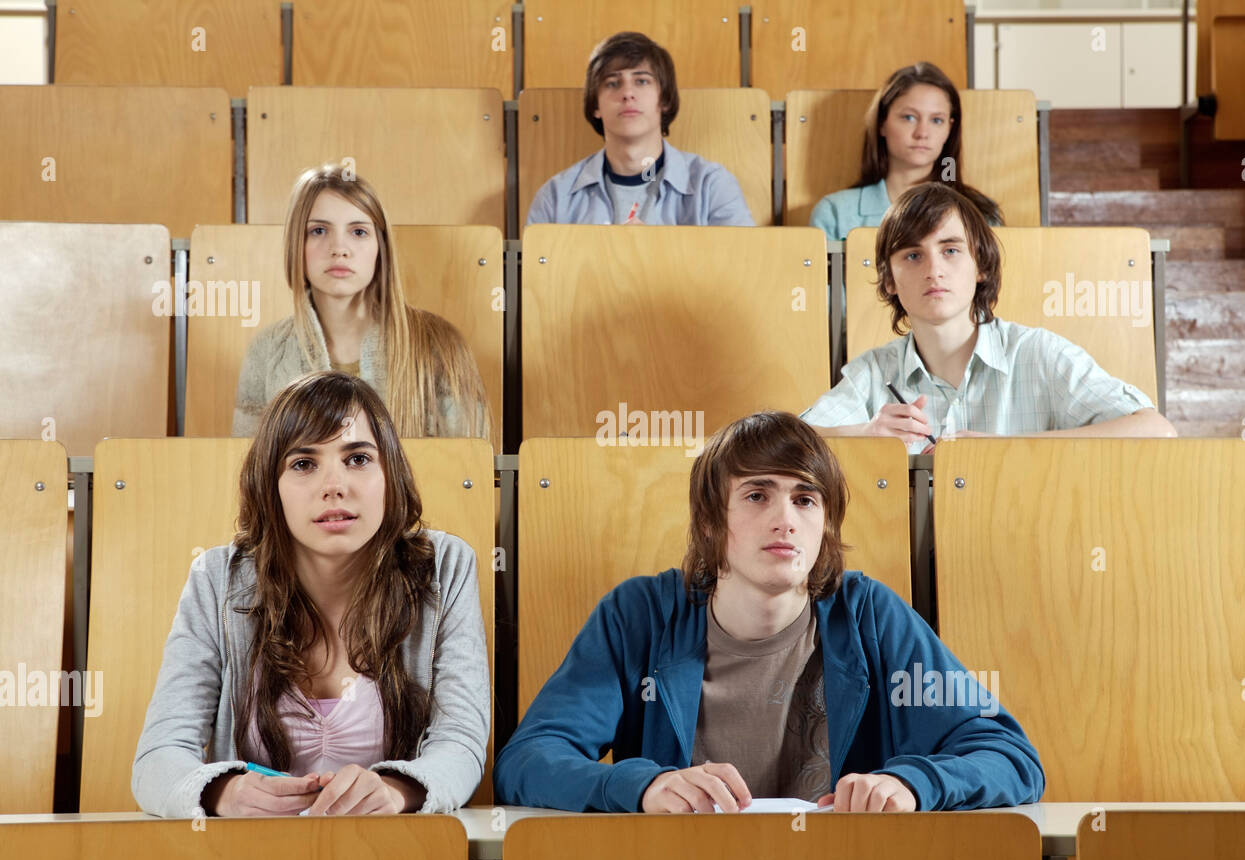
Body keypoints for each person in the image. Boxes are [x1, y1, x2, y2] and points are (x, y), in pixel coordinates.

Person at [494, 411, 1045, 813]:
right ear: (712, 522)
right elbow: (528, 761)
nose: (786, 519)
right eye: (758, 495)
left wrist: (913, 784)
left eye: (805, 500)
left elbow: (1009, 756)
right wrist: (641, 787)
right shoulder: (638, 614)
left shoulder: (870, 614)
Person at [135, 372, 490, 818]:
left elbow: (461, 743)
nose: (334, 485)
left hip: (396, 851)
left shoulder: (446, 566)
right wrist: (225, 794)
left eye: (357, 458)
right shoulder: (217, 578)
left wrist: (397, 791)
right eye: (304, 464)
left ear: (389, 475)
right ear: (272, 486)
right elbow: (156, 759)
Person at [802, 183, 1177, 450]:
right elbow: (776, 446)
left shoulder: (1038, 354)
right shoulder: (871, 373)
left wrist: (1008, 452)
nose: (934, 270)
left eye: (950, 250)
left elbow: (1155, 430)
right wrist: (866, 436)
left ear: (980, 265)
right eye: (913, 256)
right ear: (889, 282)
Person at [233, 164, 490, 440]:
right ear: (296, 244)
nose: (339, 249)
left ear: (381, 247)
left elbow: (468, 473)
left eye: (358, 232)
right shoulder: (266, 351)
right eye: (319, 230)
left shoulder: (440, 345)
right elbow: (251, 473)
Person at [525, 31, 754, 227]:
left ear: (663, 99)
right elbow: (537, 278)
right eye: (612, 83)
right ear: (596, 105)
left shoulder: (711, 185)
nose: (627, 93)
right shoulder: (556, 196)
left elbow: (740, 270)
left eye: (642, 81)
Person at [810, 62, 1003, 241]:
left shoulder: (981, 213)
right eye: (909, 117)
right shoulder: (836, 212)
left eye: (936, 120)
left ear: (949, 129)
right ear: (882, 123)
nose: (922, 133)